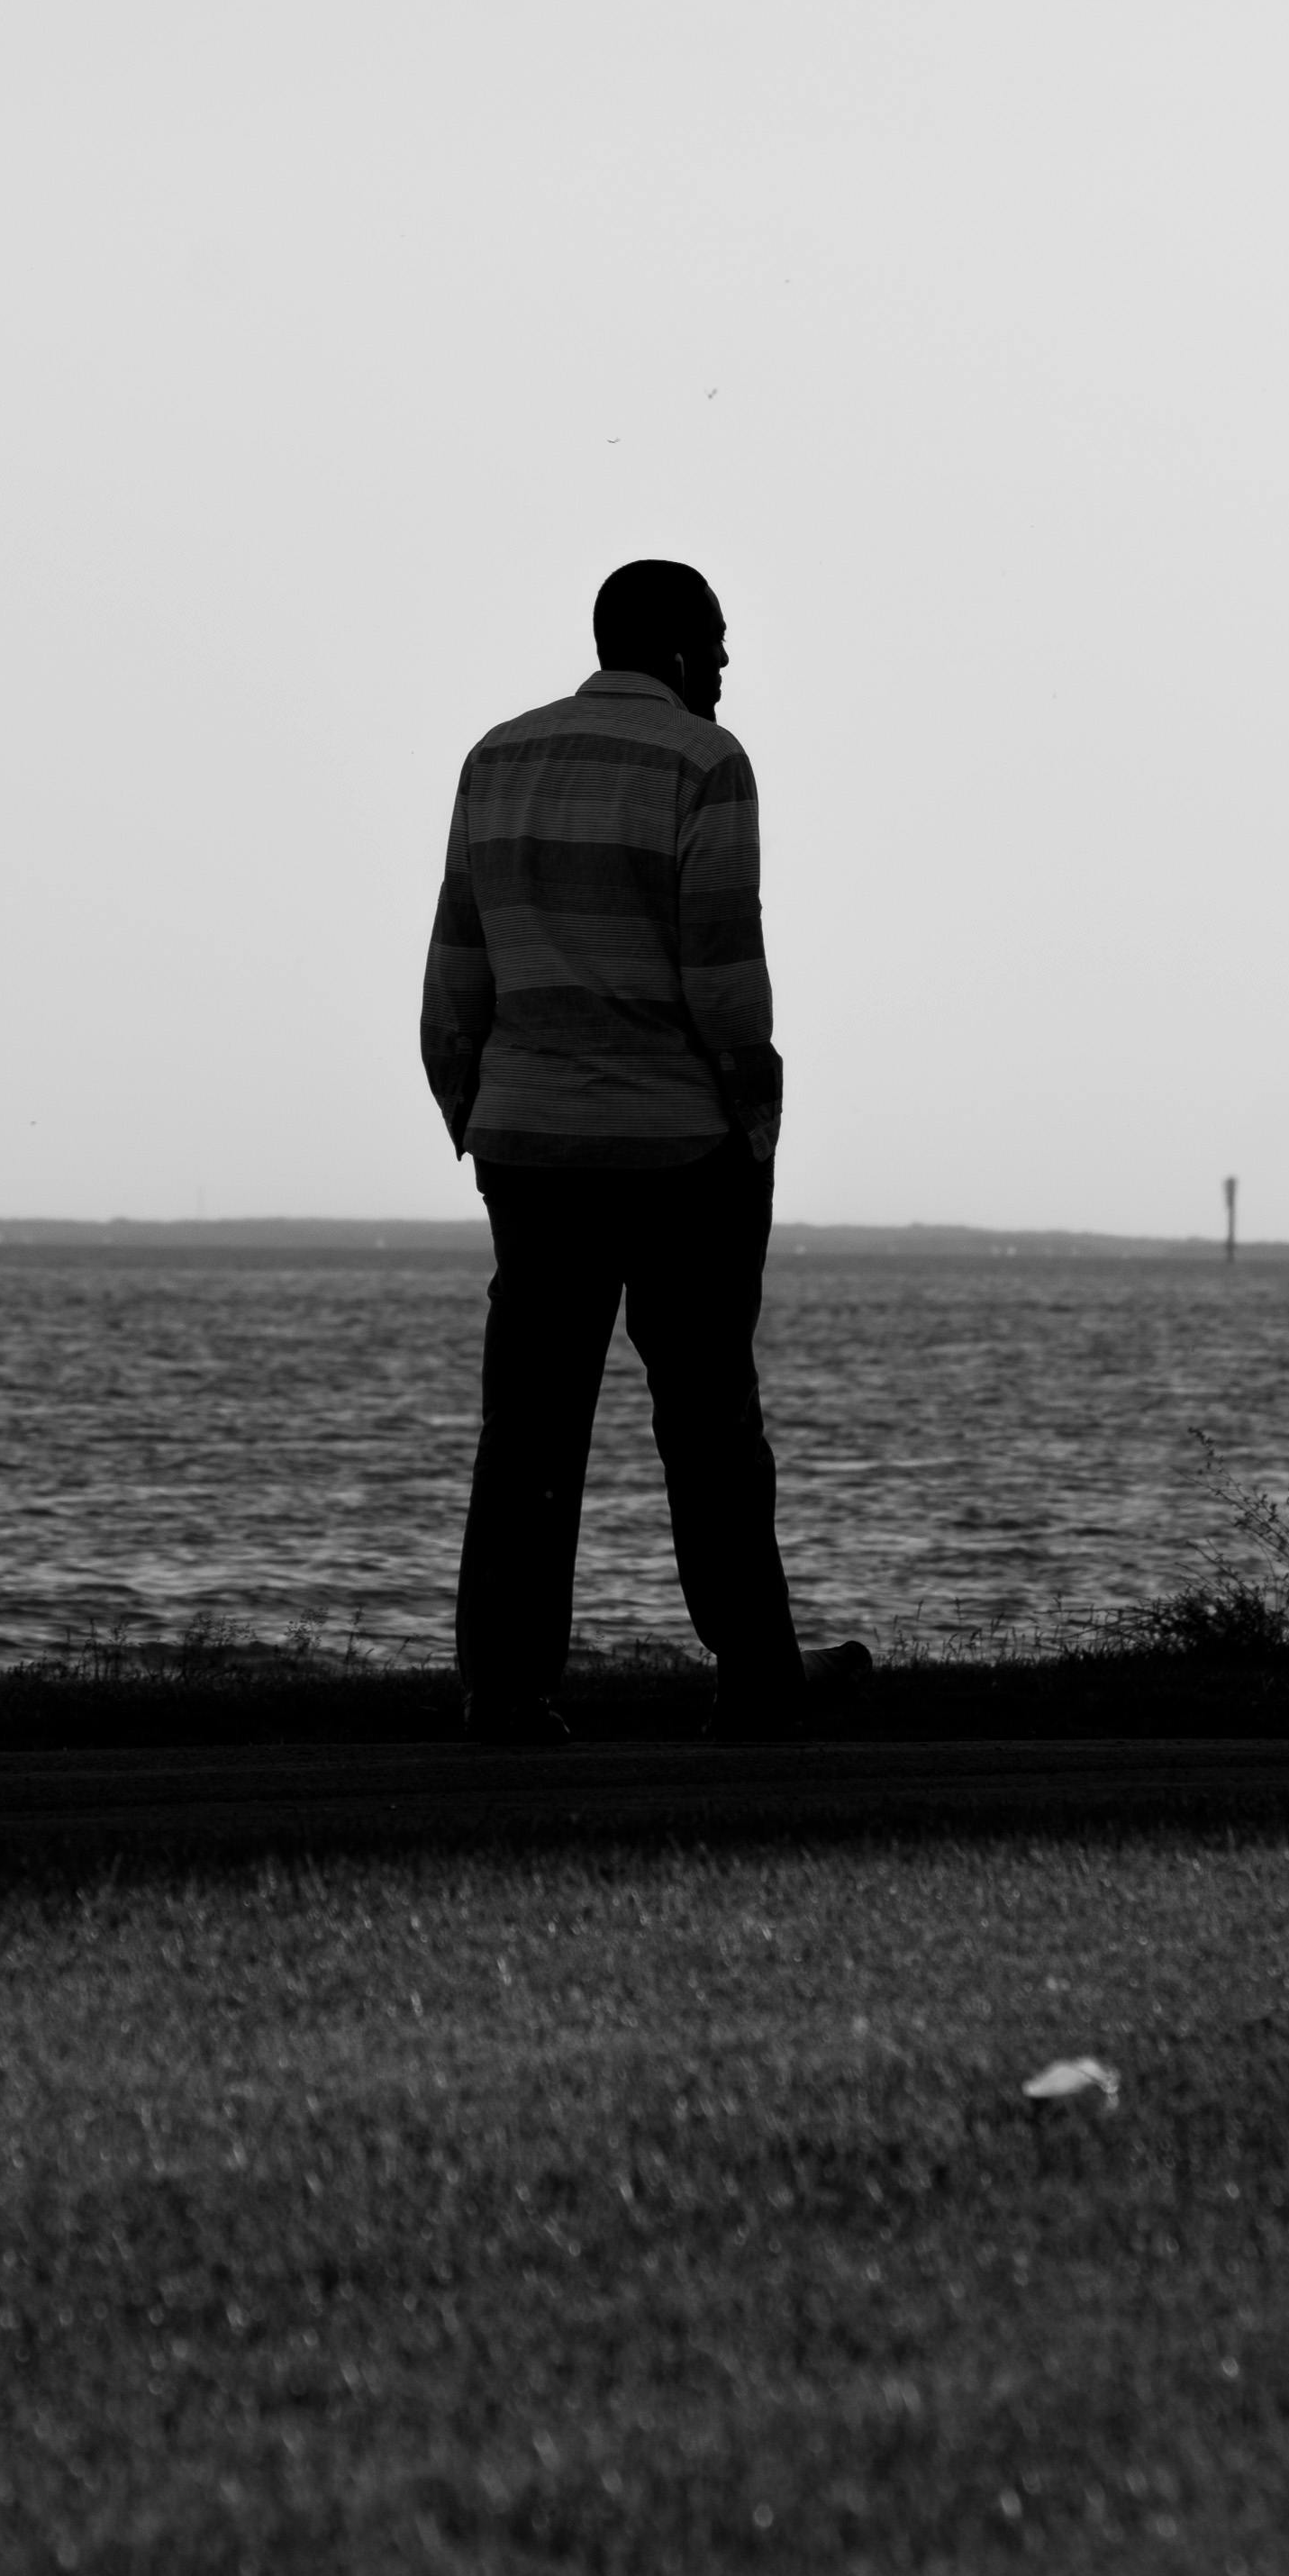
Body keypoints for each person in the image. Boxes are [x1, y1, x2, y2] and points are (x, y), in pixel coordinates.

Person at [419, 560, 857, 1747]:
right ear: (671, 649)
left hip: (530, 1143)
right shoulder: (705, 764)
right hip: (678, 1146)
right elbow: (721, 970)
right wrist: (754, 1110)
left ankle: (506, 1689)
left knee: (530, 1428)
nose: (724, 665)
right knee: (710, 1419)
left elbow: (457, 960)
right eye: (714, 643)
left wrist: (470, 1104)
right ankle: (756, 1675)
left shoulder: (497, 758)